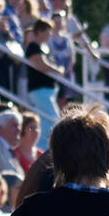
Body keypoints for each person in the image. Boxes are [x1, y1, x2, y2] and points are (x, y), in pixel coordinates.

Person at [26, 19, 61, 150]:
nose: (50, 34)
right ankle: (43, 150)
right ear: (40, 31)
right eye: (48, 31)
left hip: (46, 91)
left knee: (49, 120)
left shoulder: (41, 47)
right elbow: (40, 64)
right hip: (39, 90)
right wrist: (57, 70)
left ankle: (45, 149)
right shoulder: (33, 46)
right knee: (51, 120)